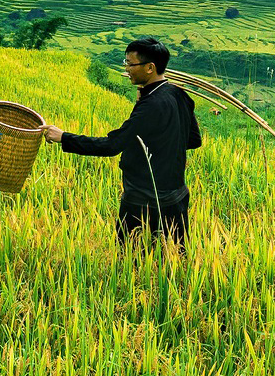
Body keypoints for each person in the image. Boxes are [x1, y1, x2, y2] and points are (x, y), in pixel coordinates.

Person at [40, 38, 201, 251]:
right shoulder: (178, 94)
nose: (126, 69)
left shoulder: (151, 105)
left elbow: (112, 145)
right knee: (176, 261)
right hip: (177, 196)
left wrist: (64, 137)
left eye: (130, 64)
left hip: (144, 200)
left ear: (150, 67)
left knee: (130, 262)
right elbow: (193, 140)